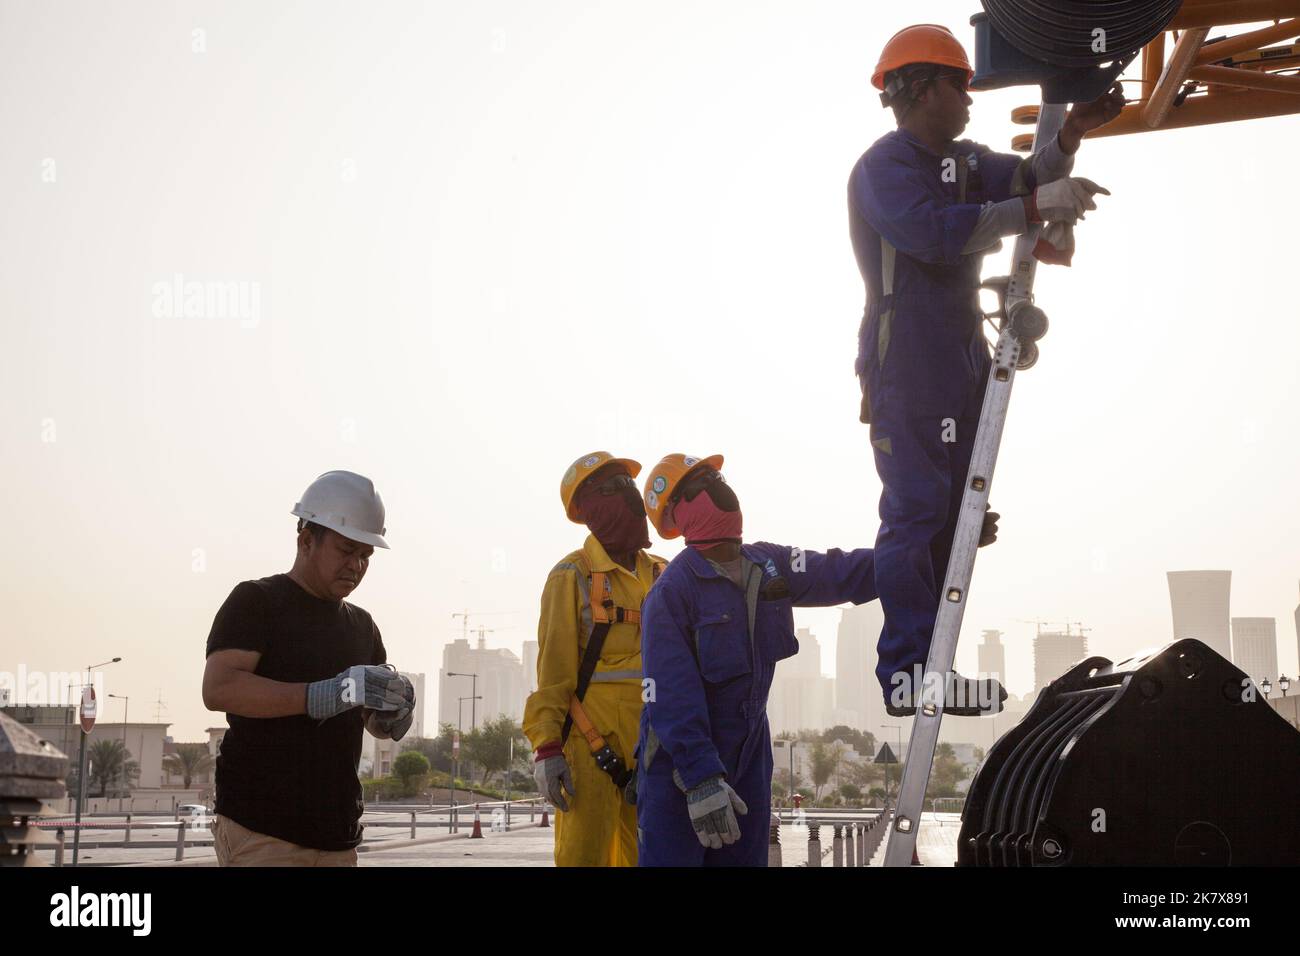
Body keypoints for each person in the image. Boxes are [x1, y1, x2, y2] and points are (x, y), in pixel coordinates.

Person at [848, 24, 1123, 715]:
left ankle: (935, 665)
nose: (970, 97)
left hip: (962, 351)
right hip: (905, 358)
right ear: (919, 90)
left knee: (957, 516)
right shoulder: (885, 168)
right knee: (915, 512)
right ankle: (907, 672)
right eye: (959, 84)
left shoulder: (968, 161)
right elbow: (933, 235)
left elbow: (1028, 176)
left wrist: (1072, 133)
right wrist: (1032, 210)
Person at [634, 453, 877, 866]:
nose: (716, 488)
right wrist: (700, 779)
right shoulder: (671, 592)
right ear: (677, 513)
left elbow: (844, 572)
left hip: (749, 752)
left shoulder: (769, 564)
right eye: (699, 485)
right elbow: (671, 696)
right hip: (679, 763)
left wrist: (928, 548)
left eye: (716, 477)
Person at [201, 470, 414, 866]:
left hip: (338, 836)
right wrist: (319, 695)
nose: (356, 565)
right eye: (347, 549)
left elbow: (368, 716)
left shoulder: (362, 626)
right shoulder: (257, 602)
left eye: (366, 555)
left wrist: (390, 714)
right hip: (263, 831)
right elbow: (219, 688)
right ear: (306, 540)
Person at [522, 452, 667, 866]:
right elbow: (553, 676)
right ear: (586, 509)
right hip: (590, 751)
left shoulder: (663, 573)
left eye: (629, 485)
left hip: (656, 750)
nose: (629, 495)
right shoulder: (572, 576)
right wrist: (547, 749)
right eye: (612, 488)